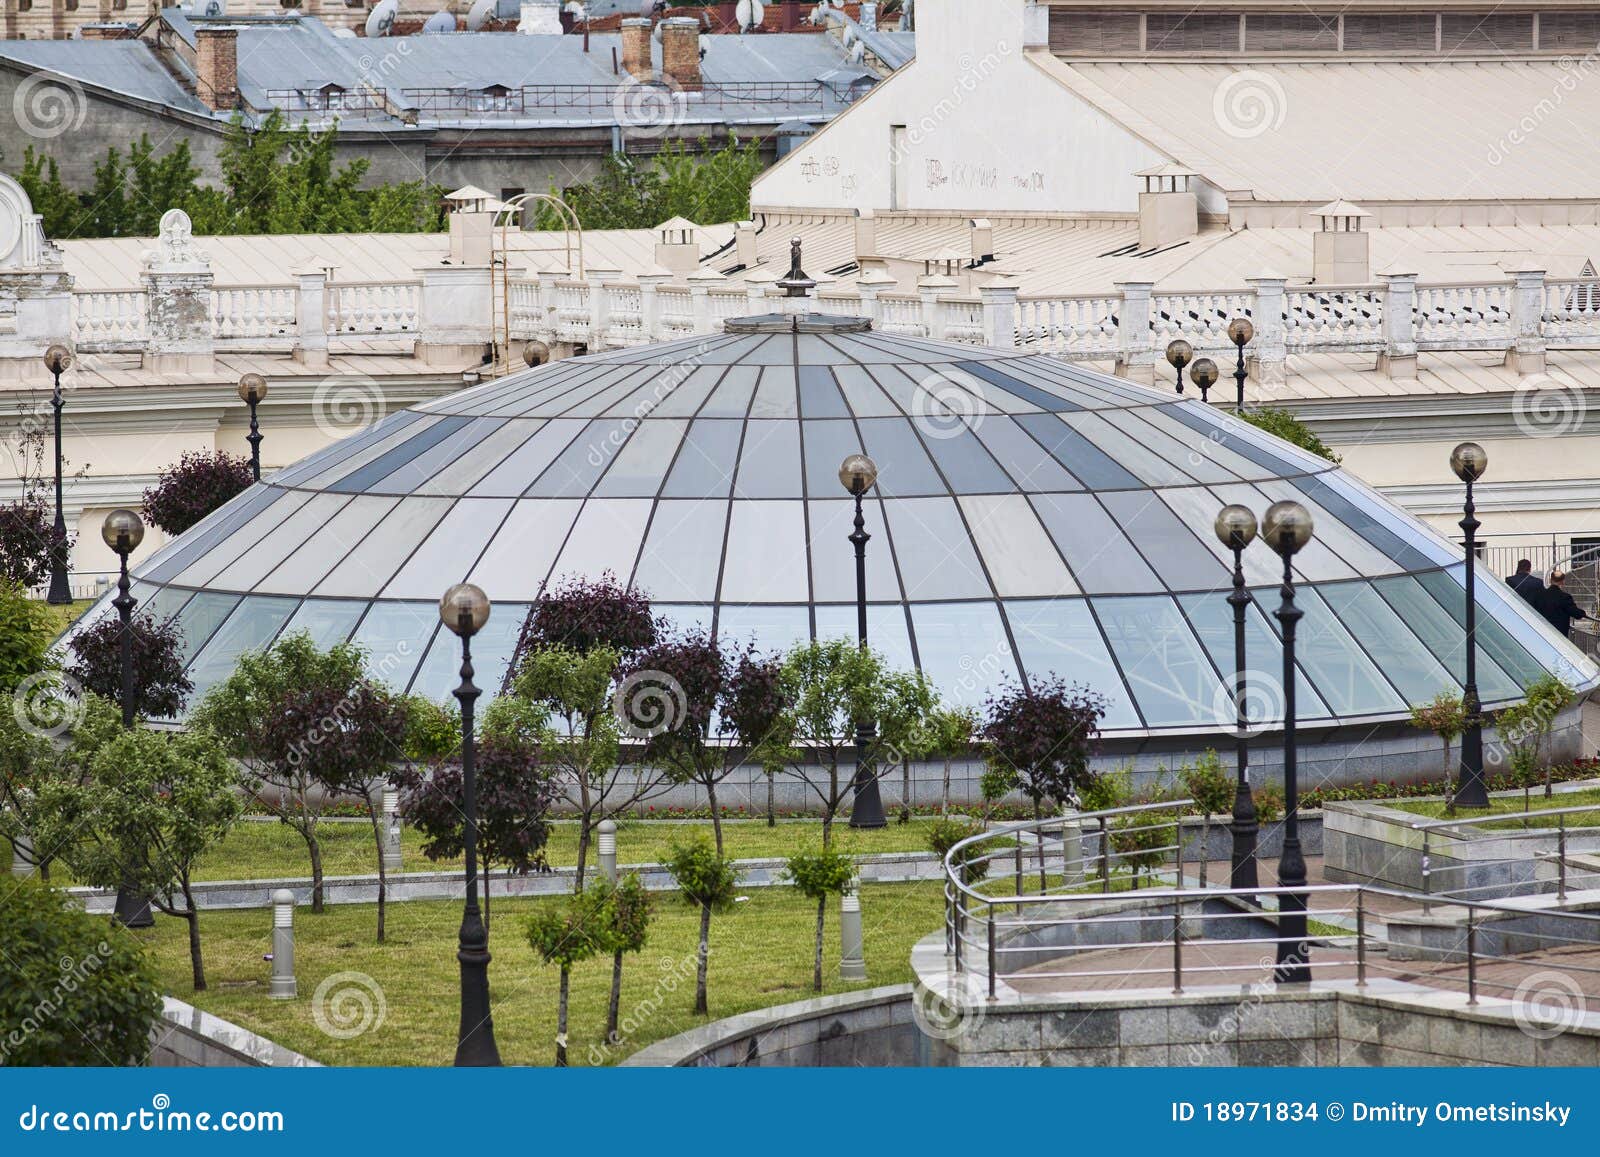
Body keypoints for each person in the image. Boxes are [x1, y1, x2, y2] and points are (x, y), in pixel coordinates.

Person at [1537, 571, 1589, 639]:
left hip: (1543, 632)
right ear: (1563, 581)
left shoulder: (1540, 596)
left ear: (1550, 580)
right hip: (1559, 634)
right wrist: (1583, 613)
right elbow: (1576, 613)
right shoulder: (1565, 597)